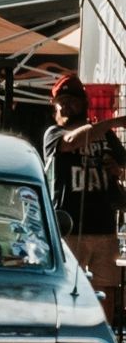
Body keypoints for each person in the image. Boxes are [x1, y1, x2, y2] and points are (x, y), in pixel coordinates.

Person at [42, 78, 126, 236]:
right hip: (67, 227)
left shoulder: (105, 134)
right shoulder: (53, 134)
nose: (65, 105)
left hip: (104, 227)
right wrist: (114, 122)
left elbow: (123, 163)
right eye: (61, 102)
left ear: (84, 102)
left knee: (106, 261)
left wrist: (118, 171)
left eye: (71, 100)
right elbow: (72, 141)